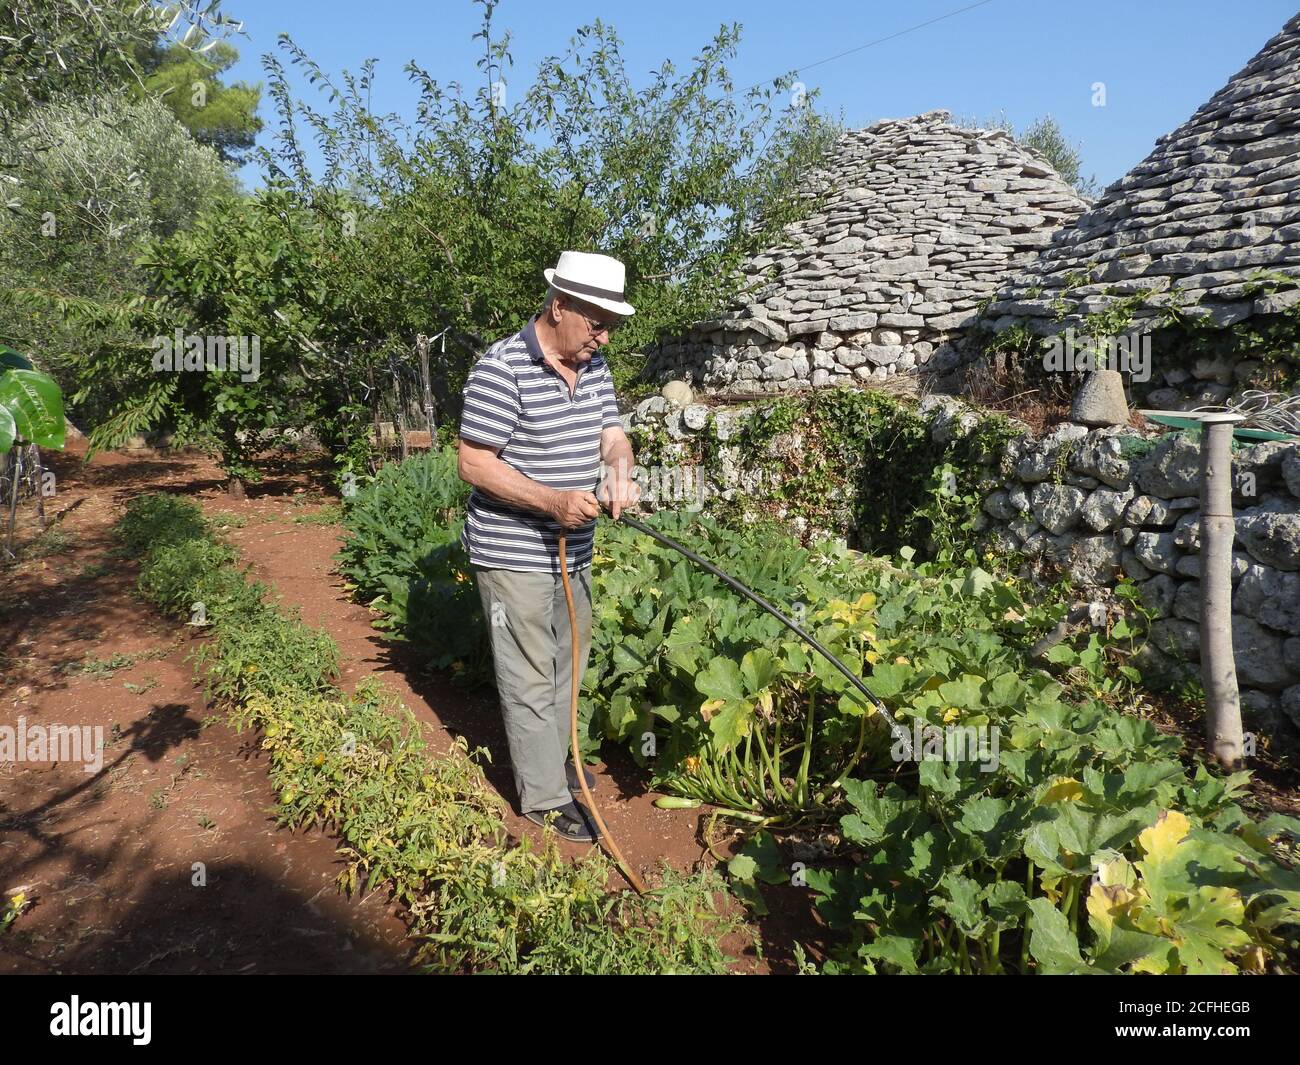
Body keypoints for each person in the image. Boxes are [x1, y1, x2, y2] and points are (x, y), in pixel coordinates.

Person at [457, 251, 640, 843]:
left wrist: (620, 469)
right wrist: (551, 502)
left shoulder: (595, 367)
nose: (604, 337)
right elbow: (474, 463)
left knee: (569, 663)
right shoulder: (502, 369)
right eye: (595, 323)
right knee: (531, 673)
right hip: (513, 551)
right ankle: (542, 798)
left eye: (610, 326)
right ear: (558, 306)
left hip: (573, 551)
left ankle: (553, 764)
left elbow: (612, 436)